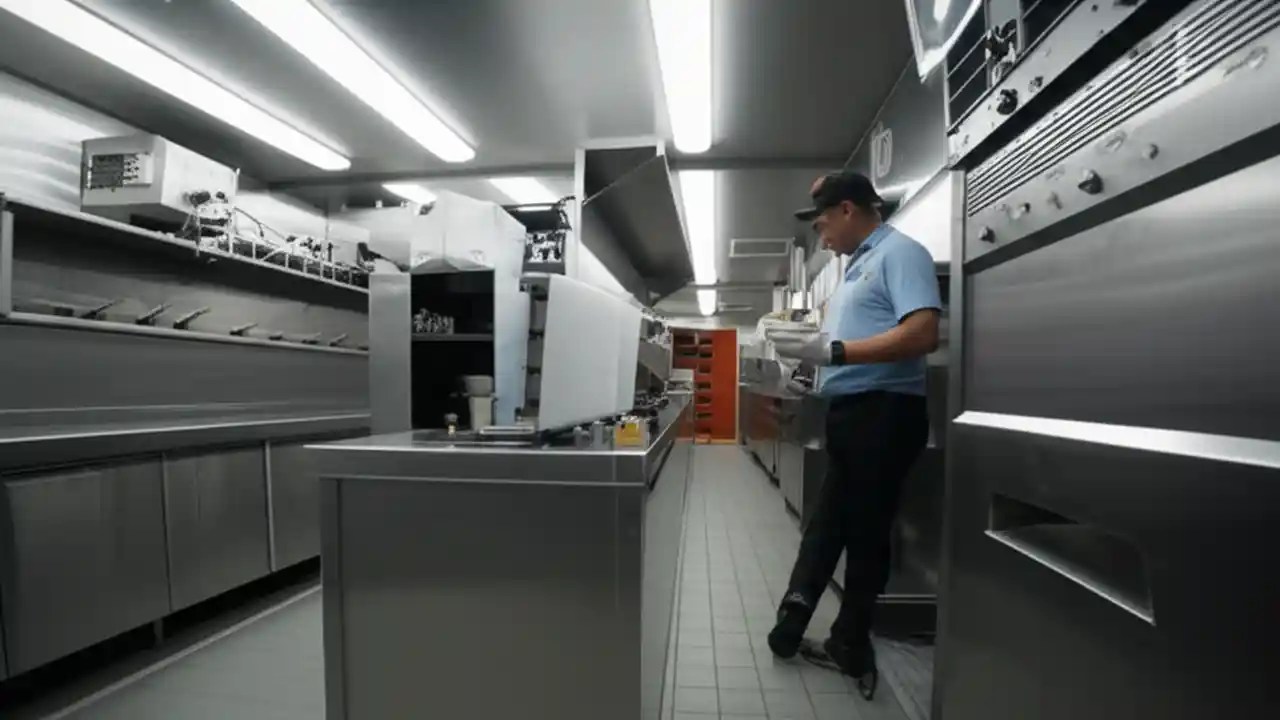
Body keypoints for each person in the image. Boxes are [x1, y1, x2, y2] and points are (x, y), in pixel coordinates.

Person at [765, 171, 941, 689]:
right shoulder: (857, 267)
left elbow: (923, 332)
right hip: (852, 410)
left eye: (822, 226)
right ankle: (795, 618)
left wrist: (835, 351)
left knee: (863, 532)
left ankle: (851, 643)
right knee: (826, 524)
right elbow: (845, 345)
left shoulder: (900, 253)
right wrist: (808, 363)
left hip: (885, 413)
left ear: (848, 210)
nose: (823, 239)